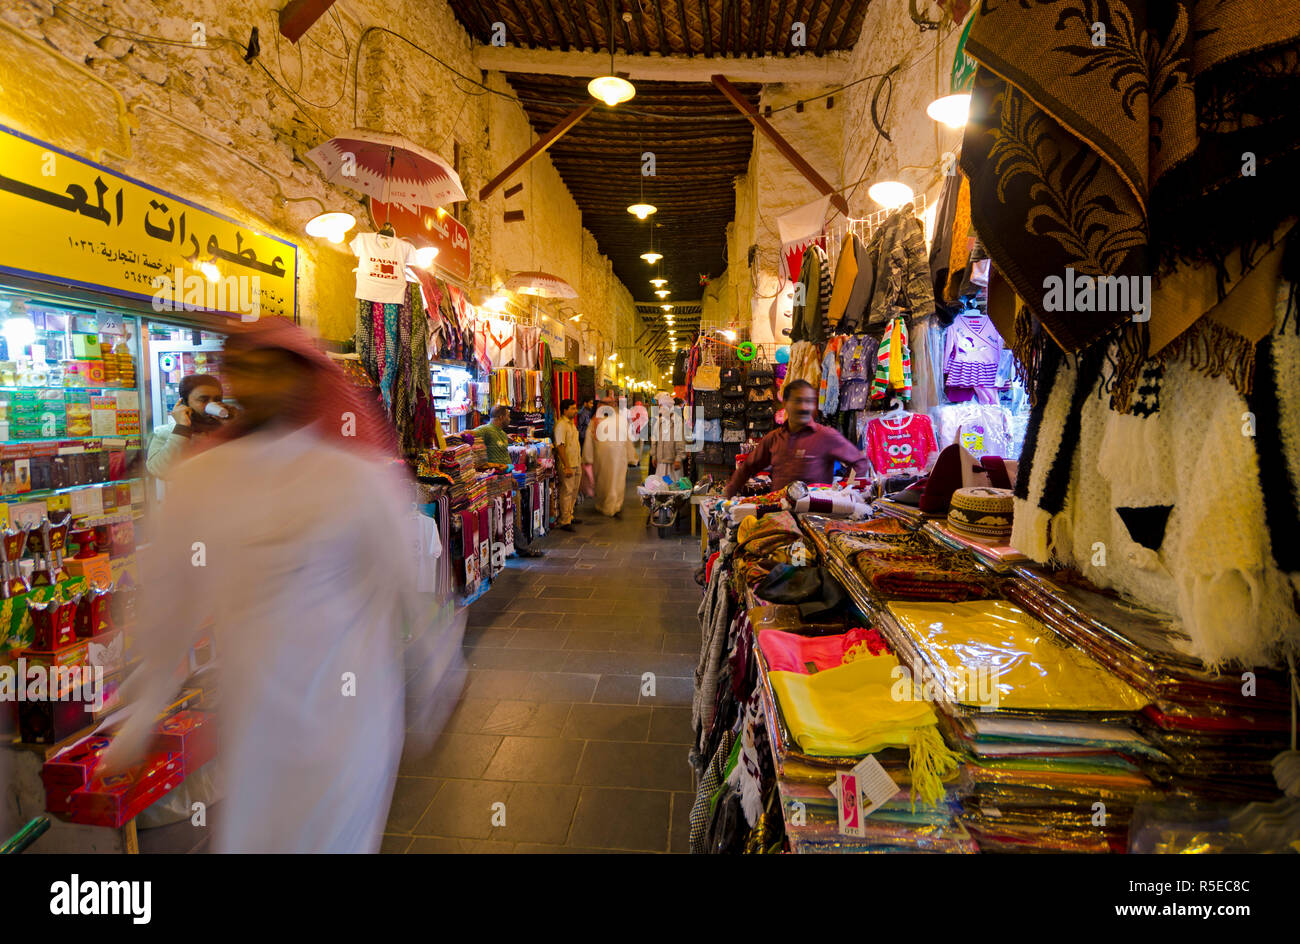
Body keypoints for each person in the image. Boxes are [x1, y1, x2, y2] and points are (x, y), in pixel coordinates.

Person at [100, 319, 443, 853]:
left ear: (304, 381)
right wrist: (141, 714)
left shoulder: (356, 479)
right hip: (257, 730)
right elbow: (171, 606)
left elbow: (404, 581)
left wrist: (436, 669)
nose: (257, 384)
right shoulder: (202, 482)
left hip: (348, 726)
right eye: (245, 370)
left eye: (273, 371)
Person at [723, 379, 870, 497]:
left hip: (816, 516)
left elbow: (859, 462)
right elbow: (748, 467)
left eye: (809, 401)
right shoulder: (773, 439)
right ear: (785, 403)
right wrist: (729, 492)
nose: (804, 407)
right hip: (781, 518)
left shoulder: (826, 436)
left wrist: (846, 490)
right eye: (798, 401)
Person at [474, 405, 543, 557]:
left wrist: (511, 476)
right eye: (508, 416)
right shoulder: (485, 430)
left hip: (504, 480)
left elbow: (504, 456)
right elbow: (468, 436)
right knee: (504, 515)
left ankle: (513, 547)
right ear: (500, 417)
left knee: (507, 515)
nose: (510, 419)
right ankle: (521, 548)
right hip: (493, 483)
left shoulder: (500, 432)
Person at [146, 373, 229, 479]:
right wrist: (182, 428)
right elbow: (160, 470)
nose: (212, 405)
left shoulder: (227, 429)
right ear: (184, 402)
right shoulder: (167, 433)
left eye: (217, 399)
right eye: (203, 400)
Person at [582, 400, 637, 517]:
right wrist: (631, 457)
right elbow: (628, 439)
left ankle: (608, 506)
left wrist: (588, 457)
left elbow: (626, 439)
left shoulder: (598, 421)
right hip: (610, 457)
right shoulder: (597, 421)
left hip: (610, 457)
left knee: (609, 482)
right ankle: (613, 506)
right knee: (612, 481)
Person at [553, 398, 583, 531]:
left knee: (574, 490)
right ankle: (565, 520)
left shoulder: (571, 424)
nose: (575, 411)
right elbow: (560, 446)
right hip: (568, 464)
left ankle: (570, 515)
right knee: (567, 491)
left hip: (576, 462)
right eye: (572, 408)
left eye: (575, 408)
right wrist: (566, 466)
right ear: (565, 410)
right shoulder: (561, 425)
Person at [649, 393, 686, 478]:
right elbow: (654, 441)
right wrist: (654, 455)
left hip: (673, 463)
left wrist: (678, 459)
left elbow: (681, 443)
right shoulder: (659, 422)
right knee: (661, 485)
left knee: (673, 486)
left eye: (661, 406)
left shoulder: (678, 423)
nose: (660, 408)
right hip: (660, 463)